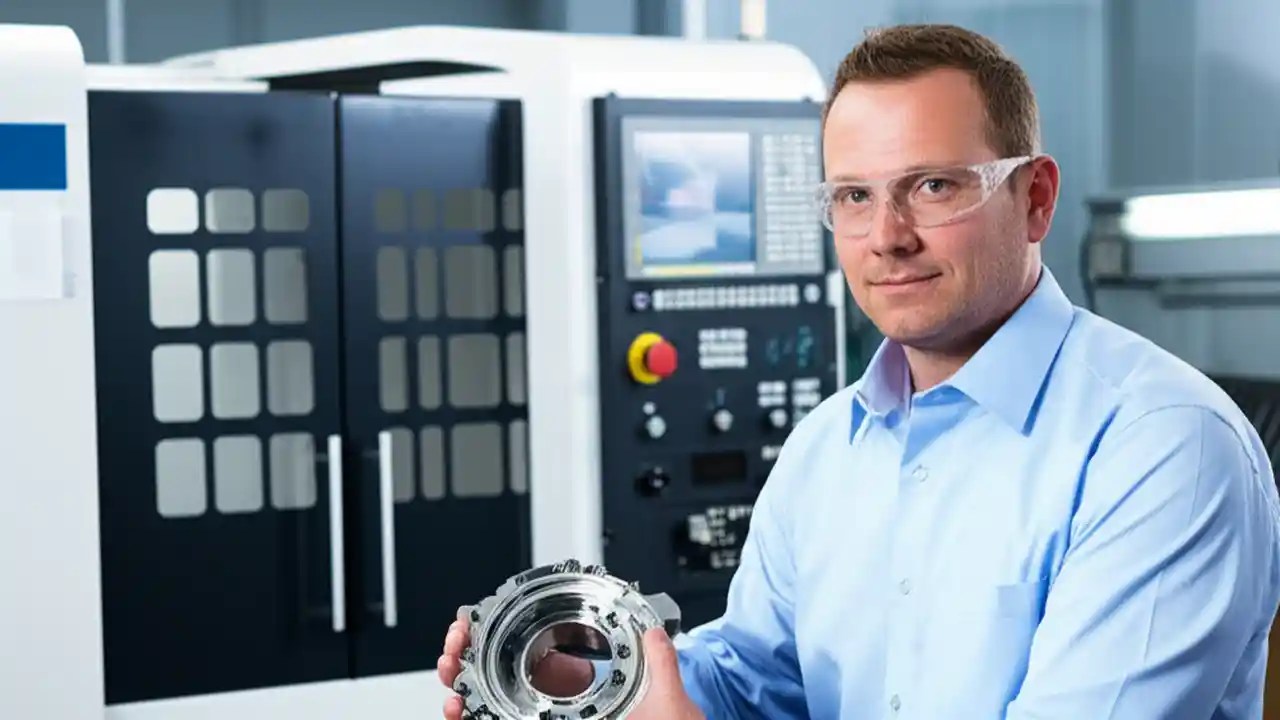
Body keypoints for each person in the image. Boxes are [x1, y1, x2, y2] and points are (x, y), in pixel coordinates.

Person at [440, 23, 1280, 718]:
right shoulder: (827, 447)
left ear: (1035, 198)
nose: (888, 235)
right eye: (853, 196)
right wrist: (579, 683)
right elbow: (753, 680)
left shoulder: (1164, 448)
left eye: (934, 186)